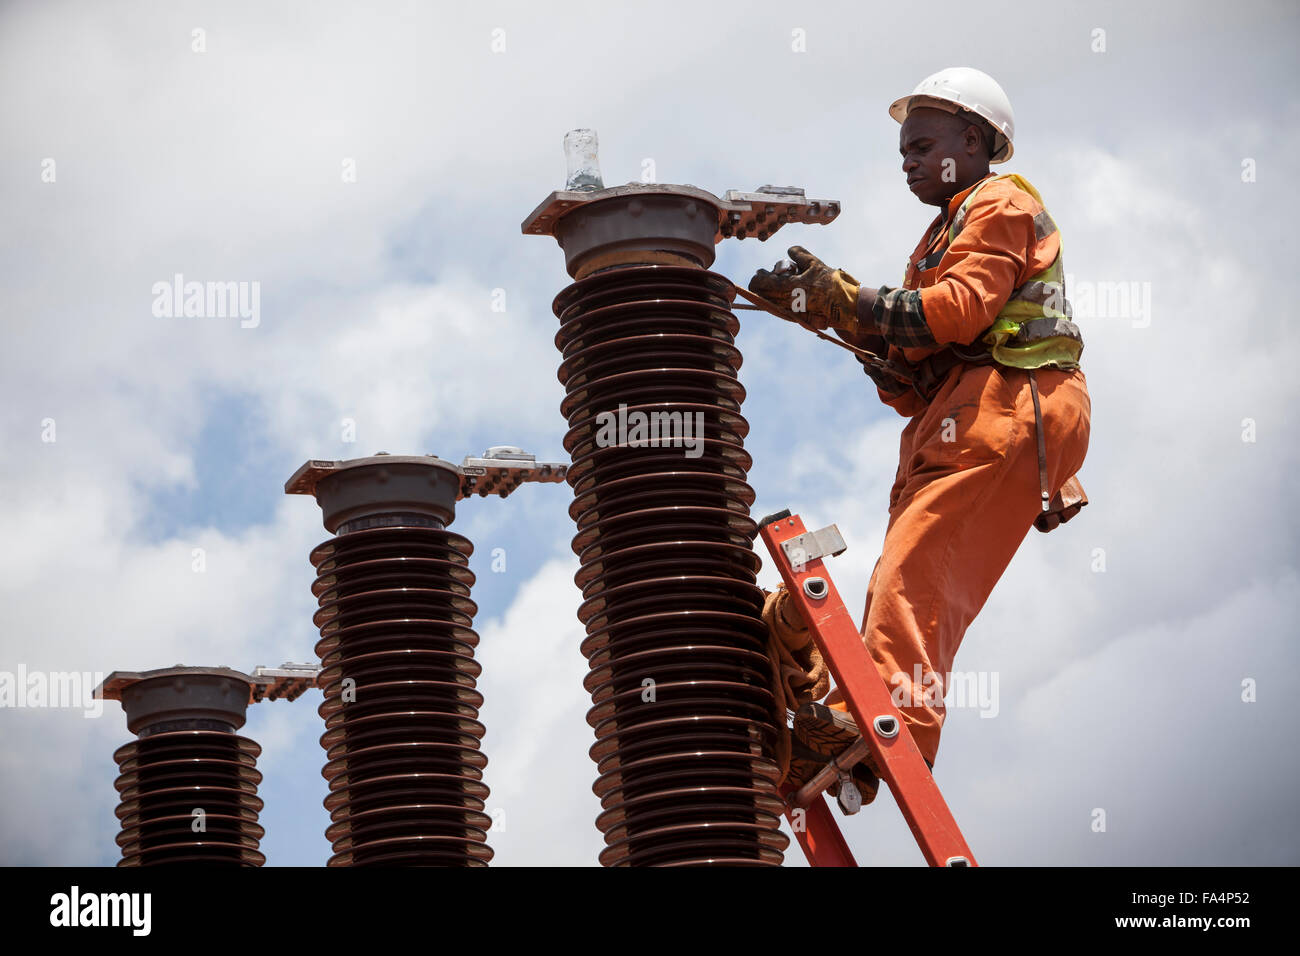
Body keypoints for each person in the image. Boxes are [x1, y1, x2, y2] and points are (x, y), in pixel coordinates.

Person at [748, 67, 1092, 798]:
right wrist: (837, 316)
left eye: (921, 145)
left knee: (915, 571)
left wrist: (851, 300)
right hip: (970, 415)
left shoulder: (998, 203)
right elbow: (912, 374)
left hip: (1010, 406)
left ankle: (884, 720)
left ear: (974, 141)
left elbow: (960, 311)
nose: (906, 161)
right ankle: (863, 741)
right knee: (906, 573)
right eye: (903, 151)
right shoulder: (939, 237)